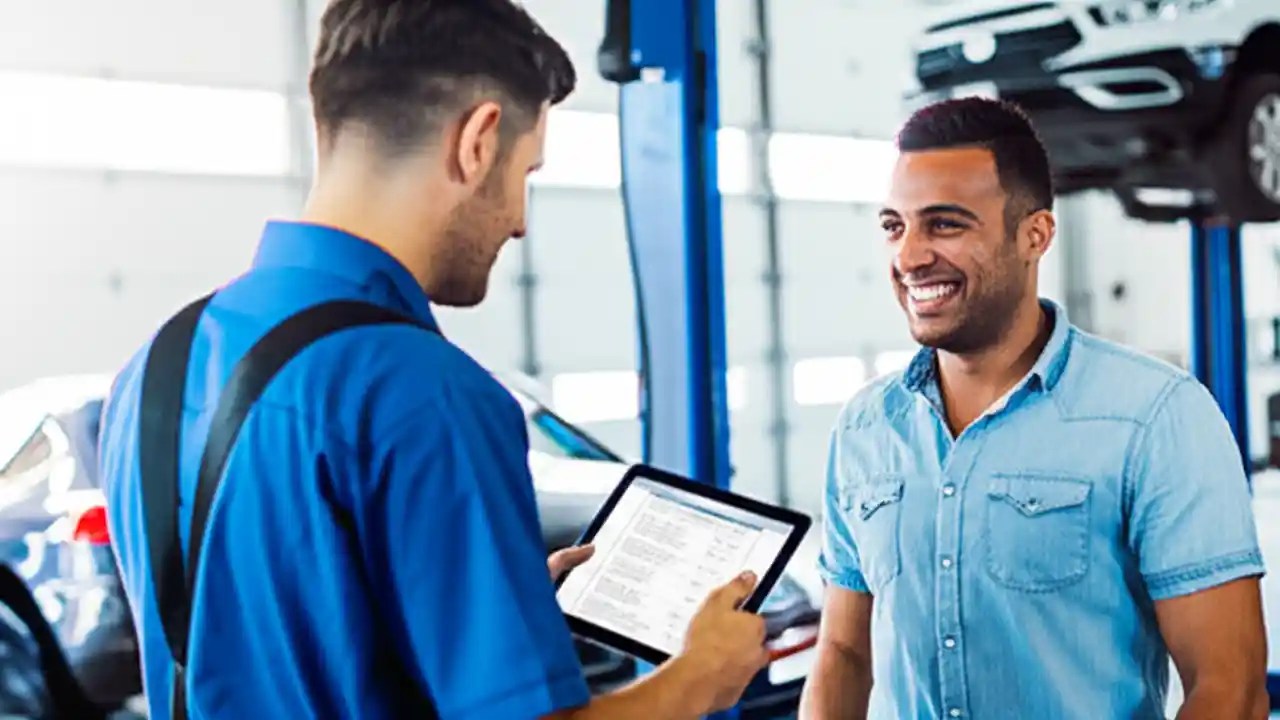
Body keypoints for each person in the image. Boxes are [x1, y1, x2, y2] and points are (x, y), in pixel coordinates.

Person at [96, 1, 768, 718]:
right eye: (526, 172)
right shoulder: (424, 391)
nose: (518, 221)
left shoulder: (153, 368)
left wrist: (488, 605)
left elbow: (267, 642)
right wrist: (701, 675)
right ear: (477, 141)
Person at [798, 97, 1269, 720]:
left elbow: (1229, 690)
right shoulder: (866, 427)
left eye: (945, 225)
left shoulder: (1155, 417)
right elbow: (843, 652)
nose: (908, 257)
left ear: (1035, 235)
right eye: (895, 226)